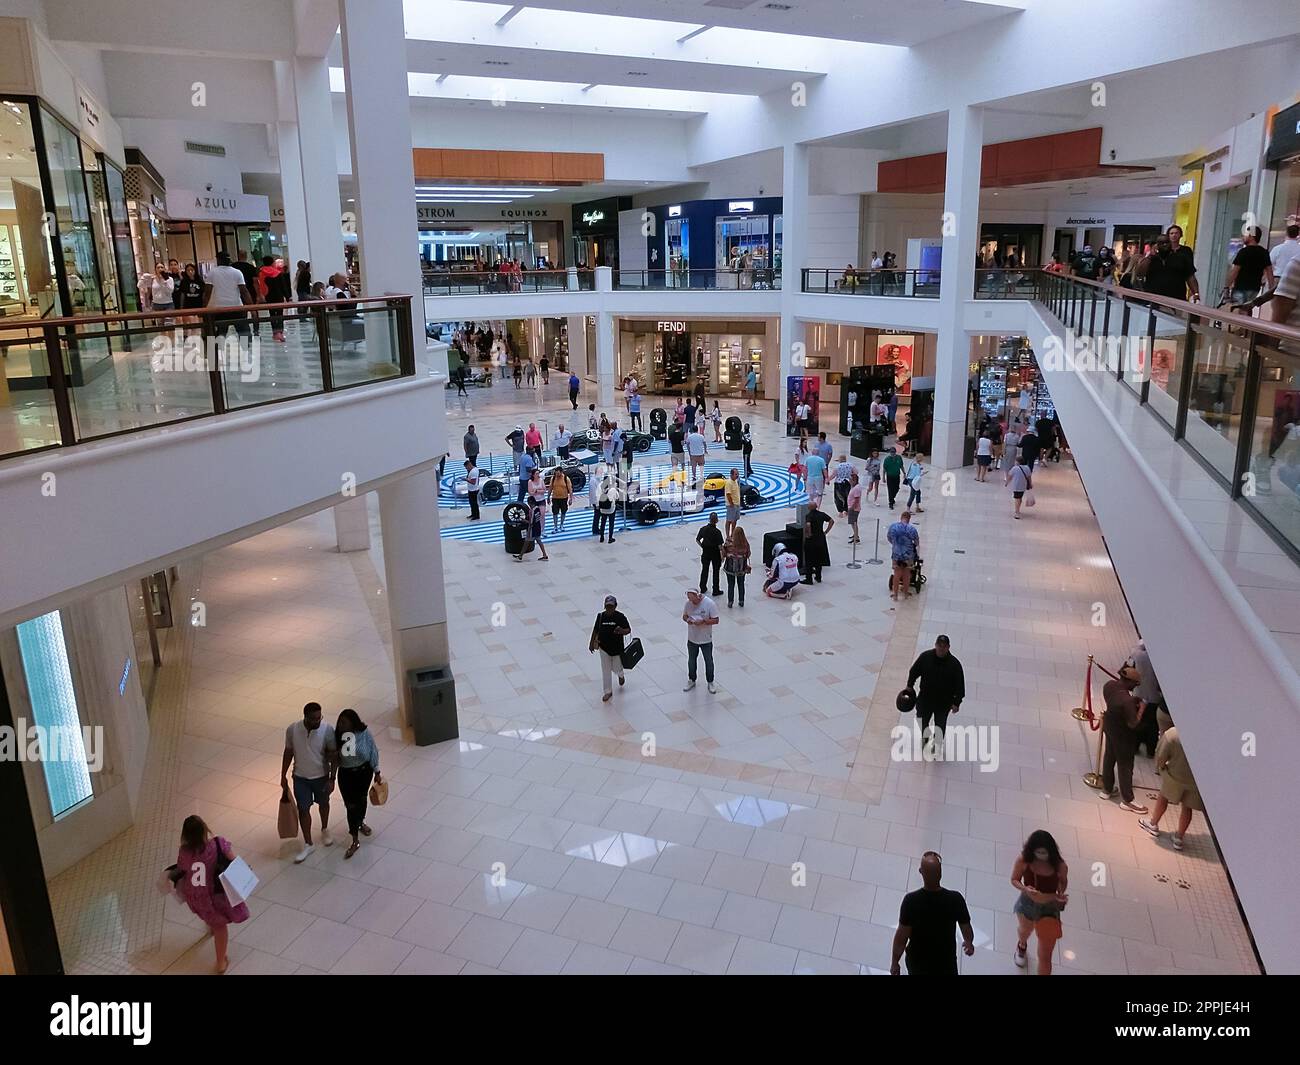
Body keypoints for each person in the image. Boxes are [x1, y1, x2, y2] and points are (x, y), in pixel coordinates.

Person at [172, 815, 249, 973]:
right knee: (220, 927)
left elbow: (182, 868)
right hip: (215, 895)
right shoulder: (218, 844)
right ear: (204, 830)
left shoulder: (184, 853)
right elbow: (234, 861)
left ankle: (210, 926)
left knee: (209, 915)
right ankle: (220, 962)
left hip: (195, 895)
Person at [890, 851, 975, 976]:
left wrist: (895, 962)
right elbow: (966, 928)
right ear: (940, 873)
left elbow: (901, 938)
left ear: (921, 872)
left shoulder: (911, 901)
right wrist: (969, 942)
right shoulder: (955, 899)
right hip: (946, 963)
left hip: (918, 963)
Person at [280, 701, 337, 864]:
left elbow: (333, 756)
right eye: (314, 719)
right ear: (305, 717)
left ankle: (325, 828)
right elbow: (288, 752)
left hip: (321, 776)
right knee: (303, 809)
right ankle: (308, 843)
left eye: (319, 717)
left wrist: (332, 778)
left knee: (324, 803)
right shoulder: (292, 730)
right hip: (300, 777)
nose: (317, 721)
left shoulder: (327, 730)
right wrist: (283, 775)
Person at [1011, 831, 1069, 975]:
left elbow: (1063, 882)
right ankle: (1022, 945)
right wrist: (1025, 889)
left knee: (1045, 956)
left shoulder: (1060, 866)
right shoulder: (1024, 860)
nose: (1042, 855)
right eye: (1039, 852)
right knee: (1024, 931)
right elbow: (1014, 879)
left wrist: (1060, 894)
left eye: (1044, 852)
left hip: (1050, 909)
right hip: (1027, 904)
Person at [1139, 726, 1201, 851]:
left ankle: (1153, 824)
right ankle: (1179, 837)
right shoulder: (1204, 739)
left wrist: (1161, 768)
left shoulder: (1173, 734)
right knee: (1187, 808)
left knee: (1163, 797)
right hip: (1194, 780)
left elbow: (1160, 756)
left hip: (1174, 776)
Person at [1099, 665, 1148, 813]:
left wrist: (1132, 701)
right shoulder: (1127, 701)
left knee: (1109, 756)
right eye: (1135, 684)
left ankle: (1106, 789)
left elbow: (1117, 702)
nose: (1135, 686)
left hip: (1109, 727)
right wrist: (1141, 708)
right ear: (1129, 682)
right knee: (1125, 765)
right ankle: (1128, 800)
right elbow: (1133, 723)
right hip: (1123, 736)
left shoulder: (1109, 685)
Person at [334, 708, 381, 860]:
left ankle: (360, 822)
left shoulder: (364, 733)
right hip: (346, 775)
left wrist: (377, 771)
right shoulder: (337, 737)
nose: (341, 725)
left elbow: (373, 750)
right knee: (350, 805)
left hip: (363, 772)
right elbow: (335, 758)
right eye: (340, 722)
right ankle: (354, 838)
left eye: (344, 722)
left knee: (361, 800)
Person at [906, 635, 965, 747]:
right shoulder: (925, 657)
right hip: (925, 699)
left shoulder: (954, 664)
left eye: (944, 646)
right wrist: (910, 686)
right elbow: (914, 671)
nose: (941, 648)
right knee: (922, 720)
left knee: (940, 726)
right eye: (939, 645)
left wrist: (957, 702)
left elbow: (960, 686)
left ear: (948, 647)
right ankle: (926, 739)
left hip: (943, 703)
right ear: (935, 645)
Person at [589, 594, 632, 702]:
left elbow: (628, 630)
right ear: (604, 606)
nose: (609, 608)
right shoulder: (600, 617)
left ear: (615, 606)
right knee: (606, 669)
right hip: (604, 648)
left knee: (617, 667)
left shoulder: (620, 617)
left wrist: (621, 631)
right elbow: (595, 630)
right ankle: (608, 691)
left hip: (617, 649)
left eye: (611, 606)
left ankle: (621, 675)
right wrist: (591, 643)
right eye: (607, 606)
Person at [202, 251, 253, 338]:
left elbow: (207, 293)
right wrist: (251, 307)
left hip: (219, 308)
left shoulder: (212, 273)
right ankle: (246, 349)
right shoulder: (237, 272)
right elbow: (244, 291)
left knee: (221, 333)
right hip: (236, 306)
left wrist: (204, 309)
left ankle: (219, 350)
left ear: (218, 260)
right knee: (243, 332)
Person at [1223, 226, 1274, 308]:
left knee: (1237, 309)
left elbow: (1234, 272)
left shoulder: (1243, 252)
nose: (1243, 237)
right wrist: (1271, 290)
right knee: (1248, 309)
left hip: (1241, 287)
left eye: (1245, 235)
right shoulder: (1264, 252)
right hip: (1255, 289)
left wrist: (1226, 287)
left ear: (1251, 236)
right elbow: (1270, 273)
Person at [682, 588, 719, 693]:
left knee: (708, 661)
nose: (690, 601)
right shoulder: (688, 603)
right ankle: (692, 679)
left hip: (705, 639)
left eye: (692, 599)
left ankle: (710, 682)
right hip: (692, 638)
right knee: (691, 660)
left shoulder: (709, 604)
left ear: (697, 596)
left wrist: (703, 621)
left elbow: (716, 620)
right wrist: (688, 620)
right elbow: (684, 616)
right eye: (689, 598)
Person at [517, 470, 551, 562]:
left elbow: (531, 521)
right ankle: (544, 555)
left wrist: (523, 520)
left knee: (527, 541)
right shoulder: (536, 510)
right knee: (539, 541)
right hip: (537, 528)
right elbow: (531, 491)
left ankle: (520, 556)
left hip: (533, 528)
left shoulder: (533, 510)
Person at [801, 499, 834, 584]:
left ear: (809, 508)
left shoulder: (809, 515)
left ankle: (809, 579)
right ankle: (818, 577)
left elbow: (808, 525)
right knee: (818, 559)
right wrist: (826, 531)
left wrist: (808, 534)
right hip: (820, 539)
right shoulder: (822, 514)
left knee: (809, 560)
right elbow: (831, 521)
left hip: (812, 540)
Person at [696, 512, 725, 596]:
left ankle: (703, 587)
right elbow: (720, 546)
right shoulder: (717, 532)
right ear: (717, 520)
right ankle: (715, 590)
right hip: (715, 553)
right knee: (716, 571)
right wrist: (723, 555)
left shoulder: (703, 529)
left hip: (705, 552)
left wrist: (703, 546)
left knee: (704, 570)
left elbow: (697, 540)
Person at [723, 526, 751, 608]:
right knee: (741, 584)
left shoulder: (728, 543)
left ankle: (730, 602)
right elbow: (748, 554)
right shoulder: (745, 544)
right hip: (741, 567)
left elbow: (724, 554)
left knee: (731, 585)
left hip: (730, 567)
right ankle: (741, 601)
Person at [594, 466, 618, 543]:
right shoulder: (612, 489)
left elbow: (597, 496)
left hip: (602, 508)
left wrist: (598, 505)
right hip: (611, 509)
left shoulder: (600, 487)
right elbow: (617, 497)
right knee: (611, 523)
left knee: (603, 522)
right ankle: (610, 538)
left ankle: (602, 537)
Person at [686, 422, 708, 487]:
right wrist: (705, 450)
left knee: (693, 466)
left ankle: (694, 476)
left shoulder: (690, 437)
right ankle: (701, 475)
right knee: (701, 465)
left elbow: (687, 444)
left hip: (693, 454)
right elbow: (704, 444)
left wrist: (689, 451)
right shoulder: (701, 436)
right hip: (700, 453)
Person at [724, 467, 743, 538]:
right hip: (732, 505)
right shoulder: (729, 483)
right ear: (731, 475)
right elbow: (728, 494)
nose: (737, 475)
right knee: (729, 520)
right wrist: (731, 504)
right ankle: (728, 535)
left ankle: (732, 534)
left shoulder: (735, 481)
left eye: (738, 474)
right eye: (736, 474)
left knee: (735, 520)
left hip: (737, 504)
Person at [845, 470, 863, 544]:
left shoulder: (856, 489)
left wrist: (852, 507)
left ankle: (856, 537)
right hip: (852, 507)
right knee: (853, 522)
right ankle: (855, 534)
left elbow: (856, 499)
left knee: (853, 523)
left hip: (854, 508)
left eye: (850, 480)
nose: (849, 481)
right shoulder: (854, 487)